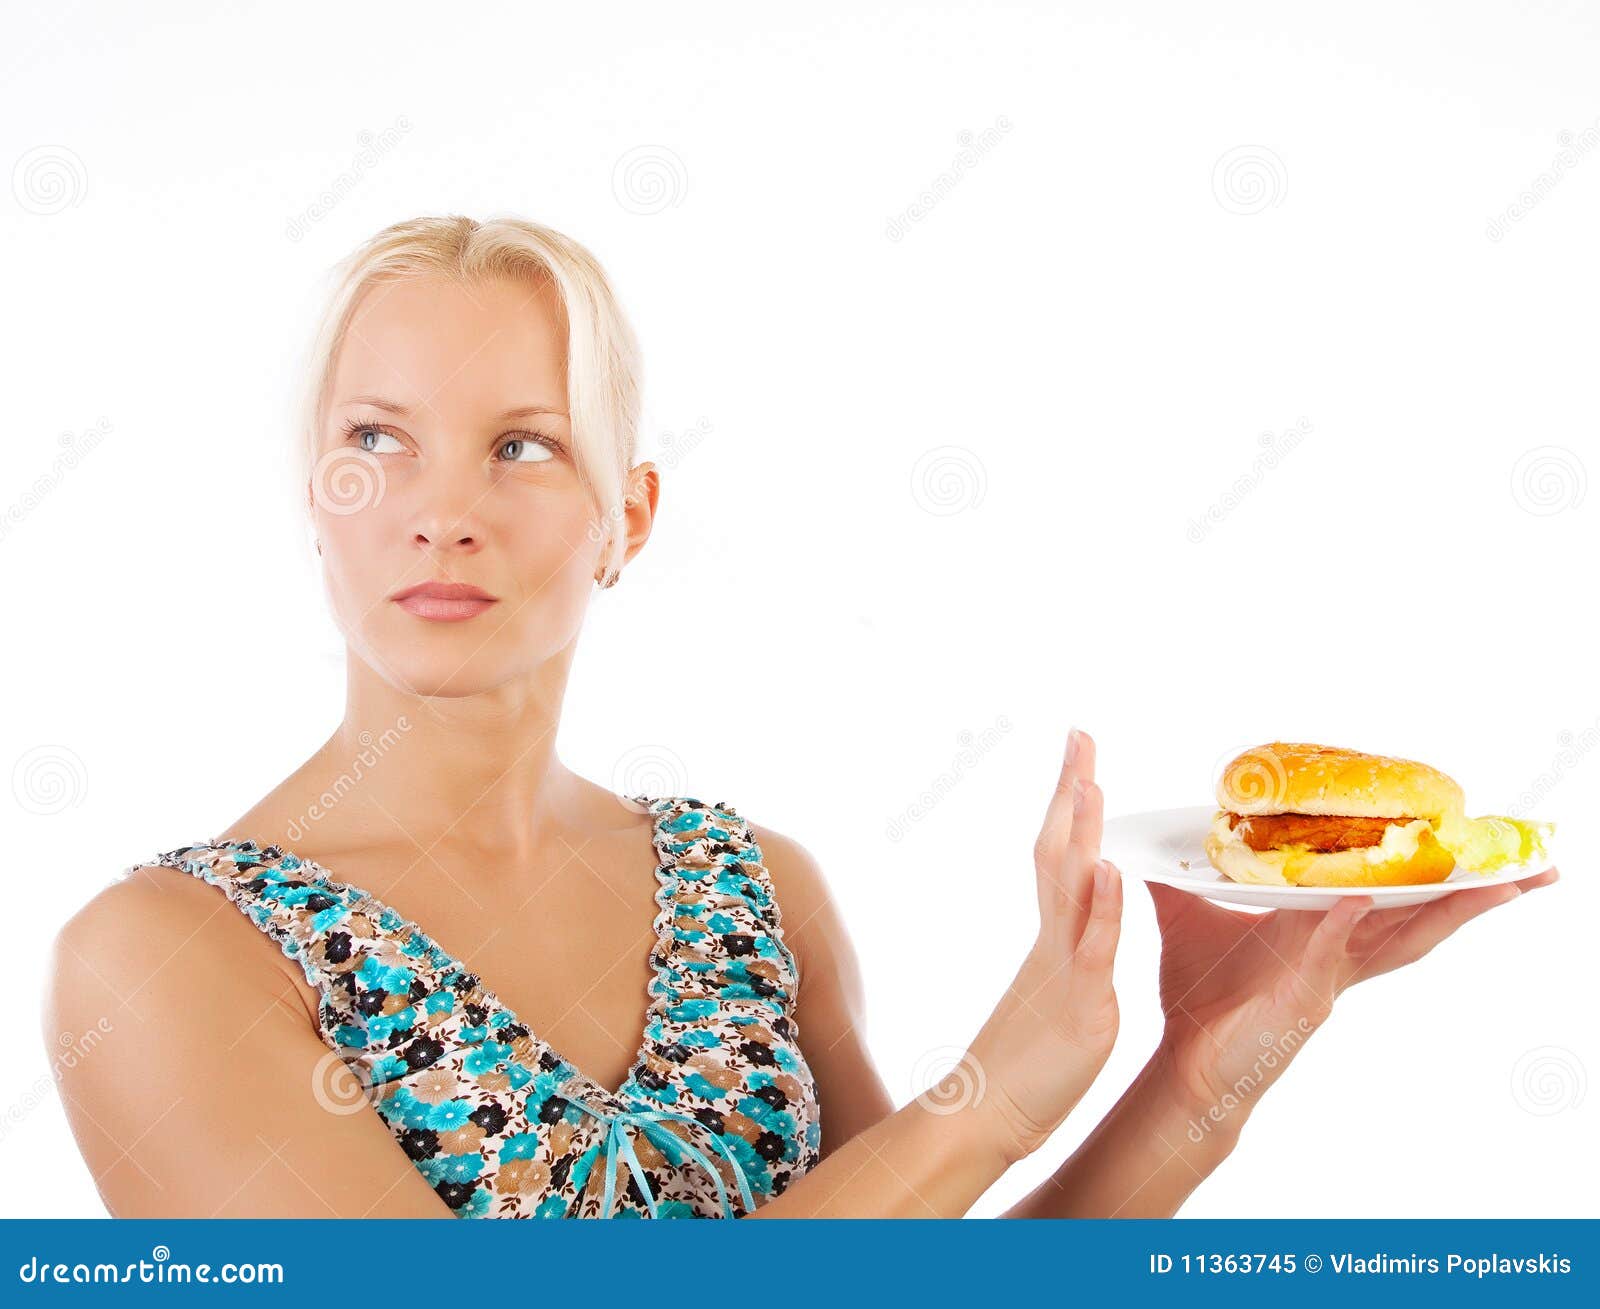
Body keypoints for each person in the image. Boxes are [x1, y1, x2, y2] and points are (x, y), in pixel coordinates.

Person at [41, 216, 1559, 1219]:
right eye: (379, 438)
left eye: (522, 444)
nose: (443, 511)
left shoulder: (751, 889)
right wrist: (984, 1101)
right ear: (320, 496)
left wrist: (1205, 1065)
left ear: (626, 515)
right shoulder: (167, 956)